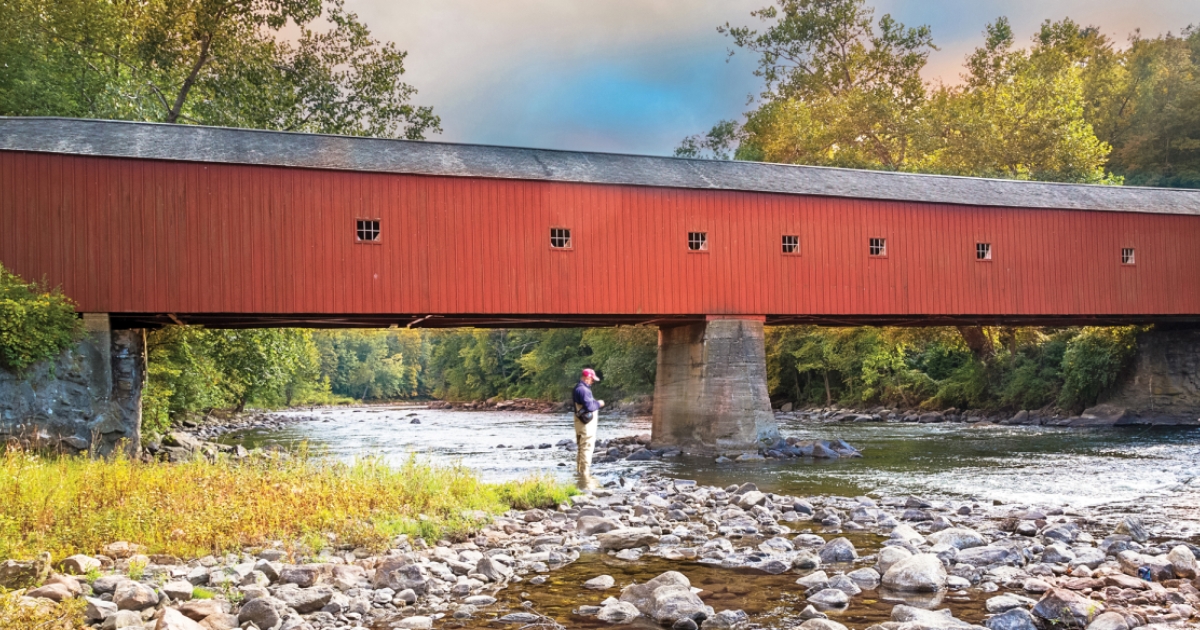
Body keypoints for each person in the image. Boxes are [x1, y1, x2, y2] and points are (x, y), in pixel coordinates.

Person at [572, 368, 605, 489]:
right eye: (592, 380)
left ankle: (580, 473)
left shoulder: (577, 388)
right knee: (586, 447)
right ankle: (585, 476)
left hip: (579, 422)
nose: (592, 382)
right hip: (586, 424)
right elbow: (590, 406)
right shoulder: (583, 389)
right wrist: (599, 403)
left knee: (581, 447)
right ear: (587, 378)